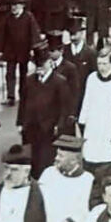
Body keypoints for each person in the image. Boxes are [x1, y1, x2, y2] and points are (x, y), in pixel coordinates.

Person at [19, 44, 68, 177]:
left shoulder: (59, 82)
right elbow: (23, 103)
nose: (40, 68)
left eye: (42, 64)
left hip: (48, 127)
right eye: (37, 65)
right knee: (31, 159)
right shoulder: (29, 81)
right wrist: (20, 122)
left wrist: (60, 124)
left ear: (49, 63)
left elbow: (64, 107)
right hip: (31, 126)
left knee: (46, 159)